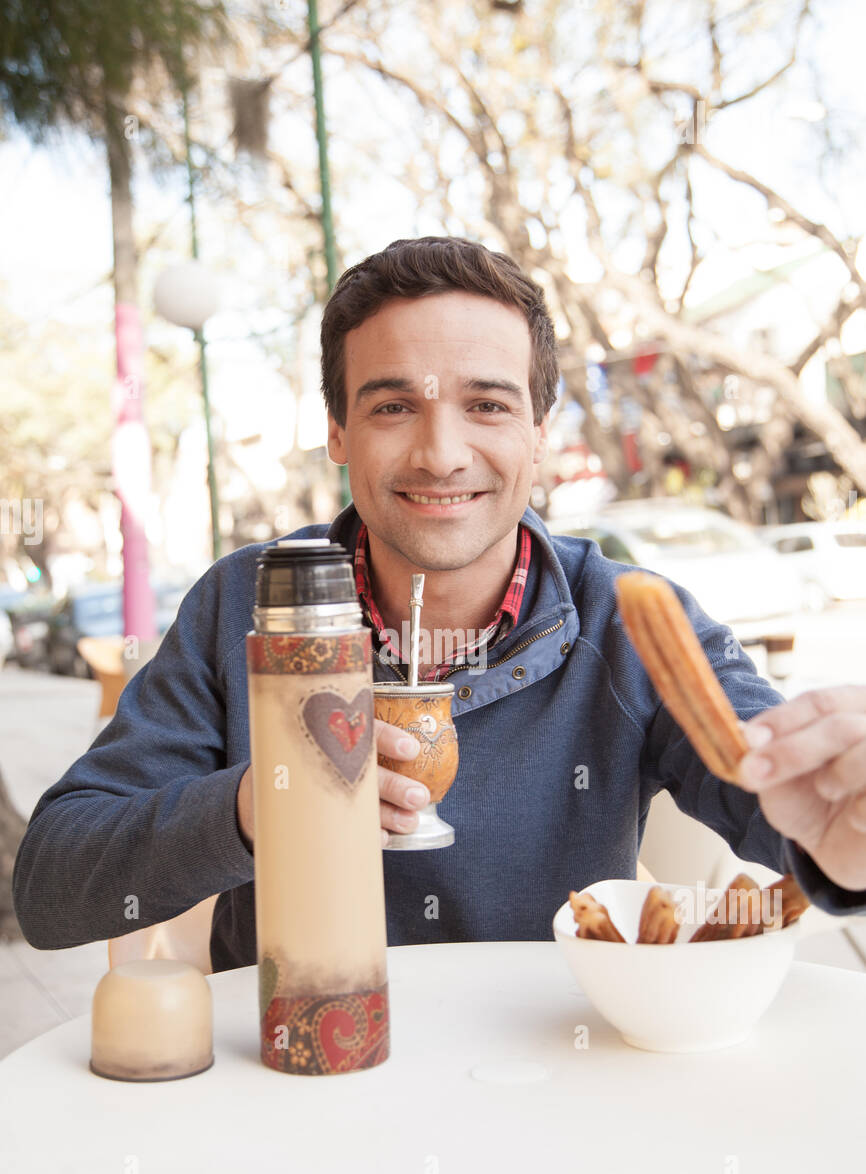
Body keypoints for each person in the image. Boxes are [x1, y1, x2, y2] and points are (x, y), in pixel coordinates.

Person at [12, 237, 866, 970]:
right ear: (339, 433)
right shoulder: (246, 603)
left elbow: (797, 815)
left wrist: (842, 836)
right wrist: (251, 809)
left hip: (548, 1071)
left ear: (539, 431)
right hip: (299, 1088)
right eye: (393, 406)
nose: (441, 452)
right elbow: (52, 888)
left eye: (487, 404)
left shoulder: (627, 621)